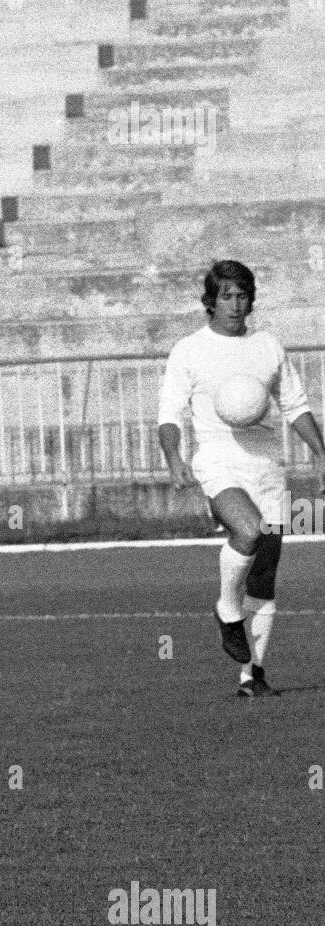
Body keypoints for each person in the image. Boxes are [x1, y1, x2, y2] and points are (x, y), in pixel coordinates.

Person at [158, 259, 325, 696]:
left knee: (264, 576)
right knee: (247, 532)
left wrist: (322, 455)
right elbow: (169, 414)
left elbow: (295, 405)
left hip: (267, 466)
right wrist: (174, 459)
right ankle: (227, 610)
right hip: (217, 461)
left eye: (242, 295)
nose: (235, 304)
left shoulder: (268, 345)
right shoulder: (188, 350)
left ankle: (253, 675)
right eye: (226, 296)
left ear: (252, 299)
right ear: (210, 302)